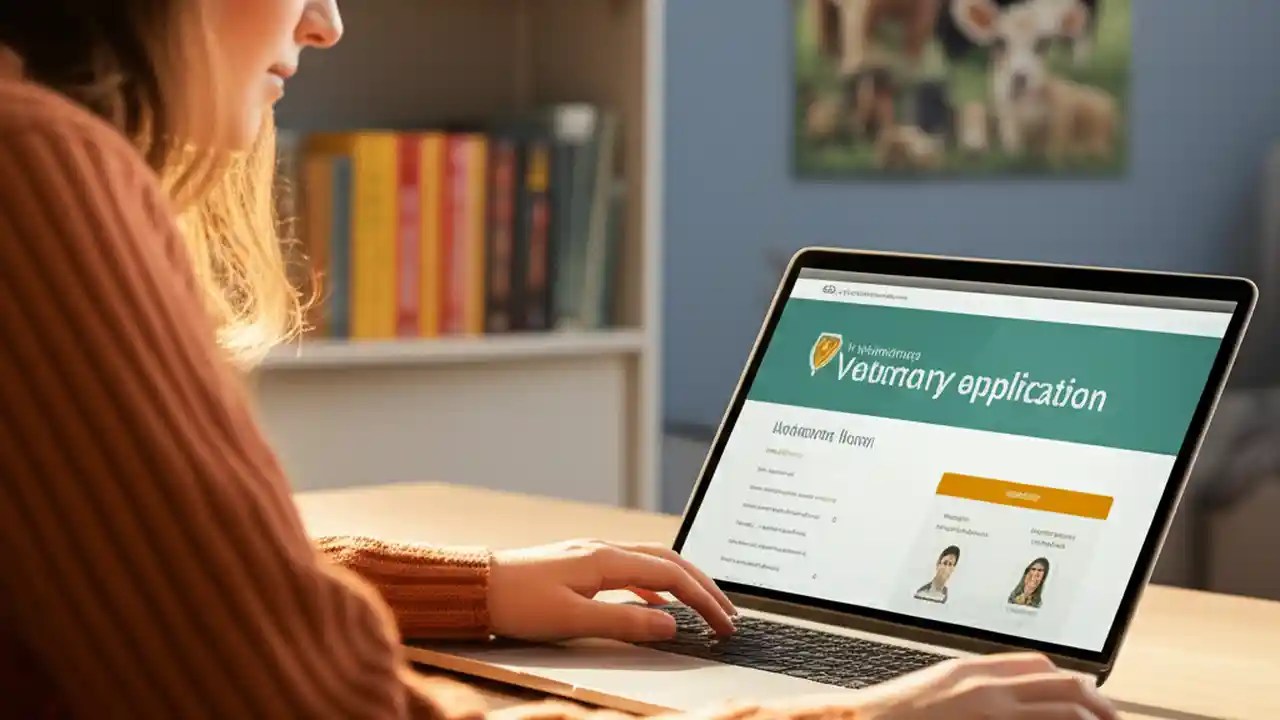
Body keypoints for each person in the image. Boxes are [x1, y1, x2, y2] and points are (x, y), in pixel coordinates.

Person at [0, 2, 1118, 718]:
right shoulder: (33, 169)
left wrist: (480, 588)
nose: (330, 22)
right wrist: (852, 718)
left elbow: (150, 576)